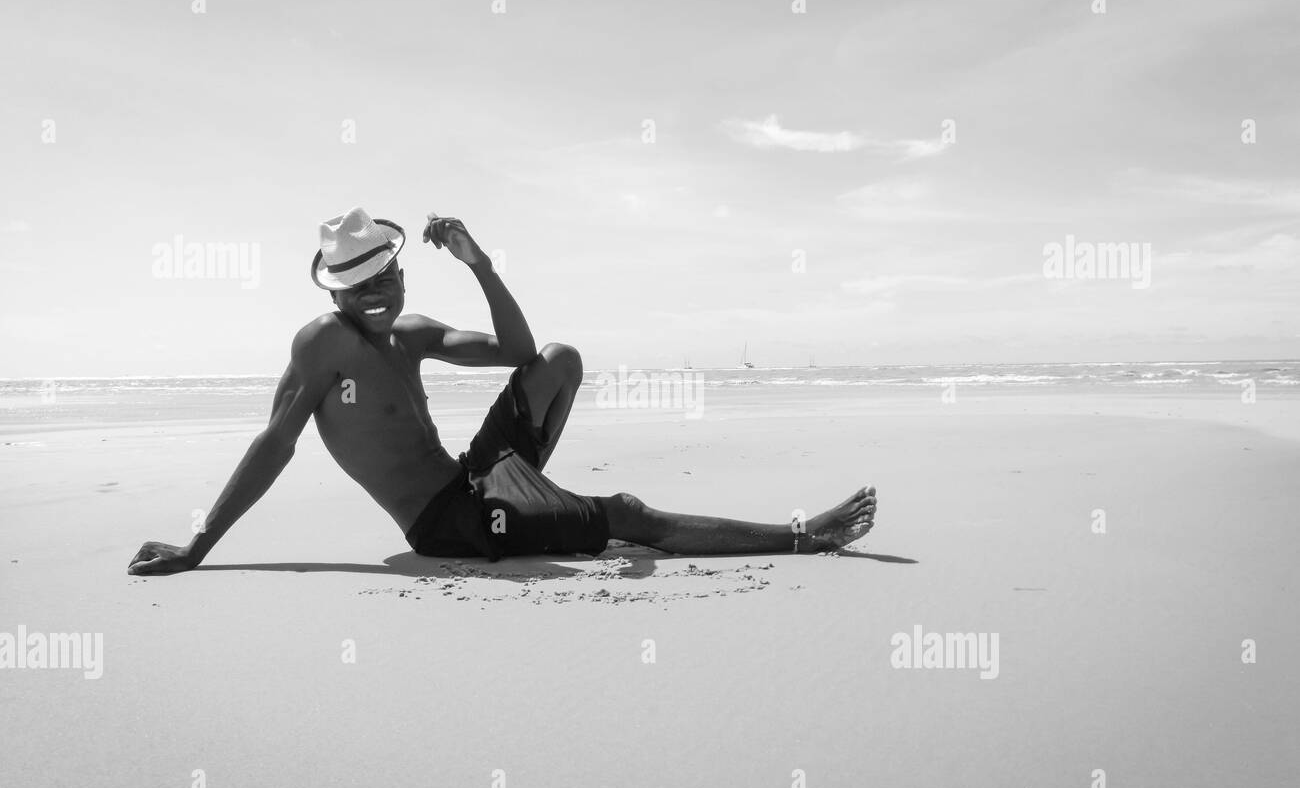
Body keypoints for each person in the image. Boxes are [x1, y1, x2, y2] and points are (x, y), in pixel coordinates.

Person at [127, 208, 876, 575]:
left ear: (398, 270)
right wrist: (200, 546)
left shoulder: (410, 331)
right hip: (447, 523)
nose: (377, 295)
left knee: (558, 359)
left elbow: (518, 354)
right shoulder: (324, 344)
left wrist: (480, 264)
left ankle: (535, 498)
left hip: (468, 475)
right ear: (337, 291)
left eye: (384, 277)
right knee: (626, 514)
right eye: (359, 287)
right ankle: (804, 537)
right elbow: (275, 444)